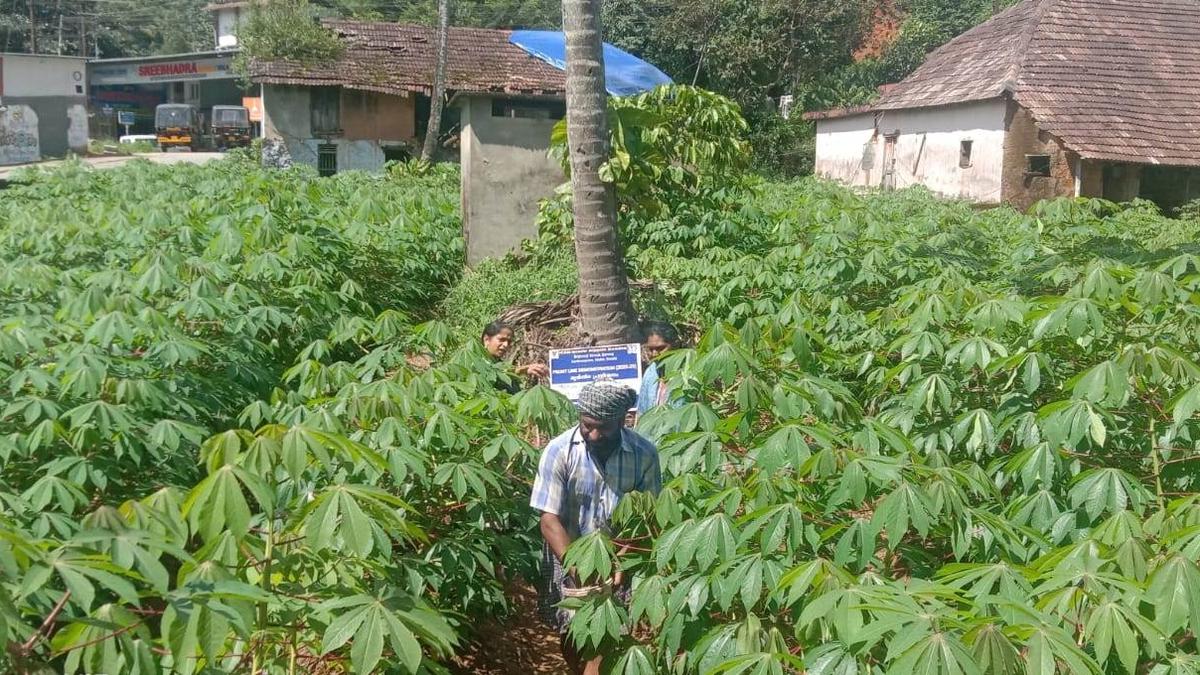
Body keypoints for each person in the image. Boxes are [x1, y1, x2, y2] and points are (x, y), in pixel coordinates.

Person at [530, 380, 661, 675]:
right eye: (587, 425)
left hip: (622, 554)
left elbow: (646, 516)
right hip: (567, 551)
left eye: (603, 427)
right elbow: (549, 519)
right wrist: (579, 566)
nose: (594, 434)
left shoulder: (644, 454)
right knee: (569, 635)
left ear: (623, 419)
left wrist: (619, 560)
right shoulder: (559, 451)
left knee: (605, 637)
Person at [481, 321, 548, 393]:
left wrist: (523, 370)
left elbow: (503, 372)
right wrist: (522, 370)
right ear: (486, 340)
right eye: (502, 340)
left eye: (509, 342)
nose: (506, 345)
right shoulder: (477, 361)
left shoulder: (499, 363)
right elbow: (494, 374)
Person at [637, 321, 682, 416]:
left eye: (660, 348)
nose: (654, 354)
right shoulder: (650, 372)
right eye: (651, 349)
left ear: (676, 344)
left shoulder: (689, 372)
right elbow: (642, 411)